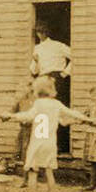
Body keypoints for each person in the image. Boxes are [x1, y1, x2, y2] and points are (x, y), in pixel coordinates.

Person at [10, 76, 94, 192]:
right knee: (49, 171)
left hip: (38, 142)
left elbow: (28, 115)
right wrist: (87, 119)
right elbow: (70, 115)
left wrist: (10, 116)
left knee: (33, 171)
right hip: (50, 143)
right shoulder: (56, 104)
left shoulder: (38, 103)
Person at [30, 24, 73, 152]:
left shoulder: (58, 46)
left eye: (43, 31)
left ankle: (60, 145)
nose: (40, 34)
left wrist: (65, 73)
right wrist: (36, 61)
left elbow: (75, 56)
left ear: (48, 32)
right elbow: (33, 70)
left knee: (57, 109)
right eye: (38, 32)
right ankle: (42, 145)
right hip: (42, 78)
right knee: (42, 110)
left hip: (56, 78)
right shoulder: (37, 48)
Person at [11, 78, 36, 177]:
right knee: (21, 152)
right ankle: (25, 178)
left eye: (24, 87)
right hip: (24, 129)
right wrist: (1, 117)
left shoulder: (36, 100)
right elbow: (12, 111)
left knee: (32, 152)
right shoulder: (21, 100)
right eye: (21, 87)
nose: (22, 89)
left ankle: (33, 176)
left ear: (30, 88)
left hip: (34, 129)